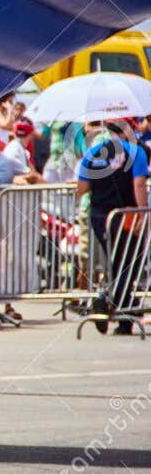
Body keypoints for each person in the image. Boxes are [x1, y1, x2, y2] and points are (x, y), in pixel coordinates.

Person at [77, 118, 149, 332]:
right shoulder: (135, 152)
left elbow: (82, 188)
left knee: (117, 263)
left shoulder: (94, 152)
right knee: (129, 264)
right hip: (127, 214)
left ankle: (122, 314)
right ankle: (109, 300)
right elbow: (139, 183)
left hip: (100, 215)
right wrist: (143, 213)